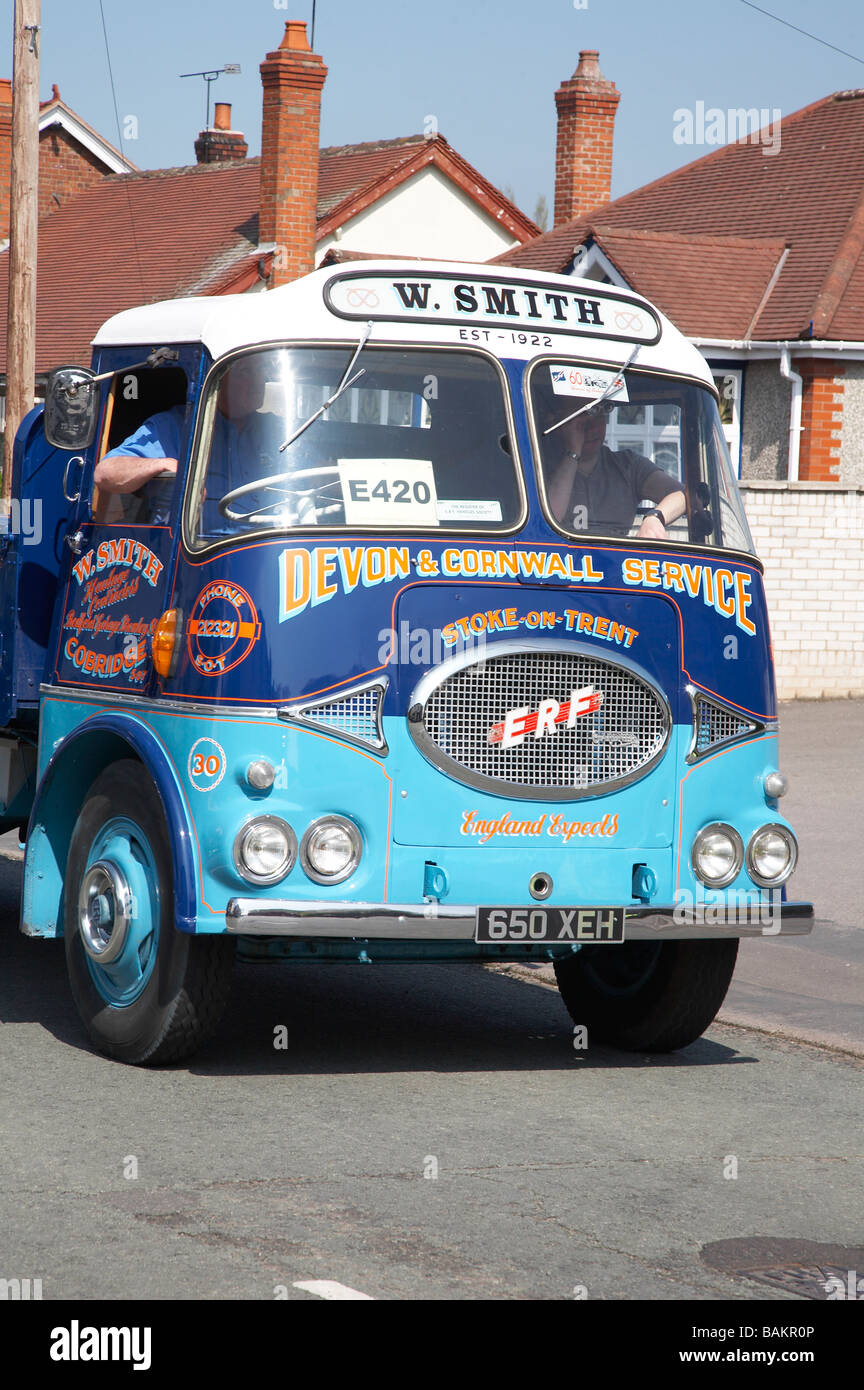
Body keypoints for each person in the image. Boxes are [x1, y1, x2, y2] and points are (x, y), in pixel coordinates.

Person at [94, 356, 283, 531]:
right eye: (245, 372)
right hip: (202, 554)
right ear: (216, 380)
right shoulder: (178, 426)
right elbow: (106, 473)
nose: (259, 381)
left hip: (273, 550)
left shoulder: (277, 429)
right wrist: (163, 464)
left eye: (261, 370)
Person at [540, 395, 687, 540]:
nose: (592, 429)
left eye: (599, 416)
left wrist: (655, 518)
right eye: (581, 422)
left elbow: (684, 494)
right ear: (560, 424)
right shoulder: (540, 466)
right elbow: (549, 519)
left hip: (613, 561)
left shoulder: (627, 465)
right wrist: (573, 453)